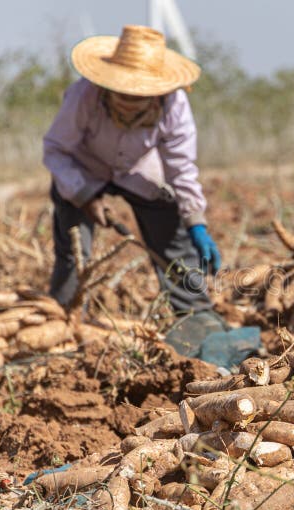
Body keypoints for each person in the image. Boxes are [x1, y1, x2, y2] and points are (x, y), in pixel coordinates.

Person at [43, 25, 227, 354]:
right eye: (123, 93)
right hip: (82, 171)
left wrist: (196, 221)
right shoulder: (84, 95)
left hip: (140, 171)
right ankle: (63, 323)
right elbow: (56, 150)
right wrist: (85, 196)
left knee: (173, 238)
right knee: (75, 252)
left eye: (139, 95)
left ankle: (196, 315)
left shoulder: (174, 105)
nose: (130, 101)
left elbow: (181, 168)